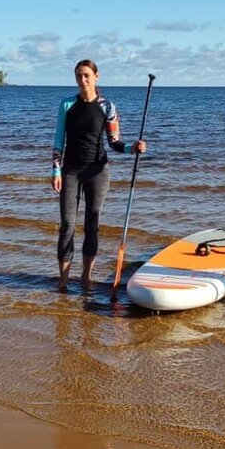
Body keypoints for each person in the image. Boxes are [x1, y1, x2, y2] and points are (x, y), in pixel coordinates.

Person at [52, 59, 147, 290]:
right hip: (71, 171)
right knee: (67, 225)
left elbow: (115, 142)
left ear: (96, 76)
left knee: (91, 224)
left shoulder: (107, 107)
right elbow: (58, 142)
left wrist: (132, 148)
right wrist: (56, 170)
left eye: (86, 75)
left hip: (98, 171)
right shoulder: (67, 105)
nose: (82, 80)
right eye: (78, 76)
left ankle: (85, 278)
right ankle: (63, 282)